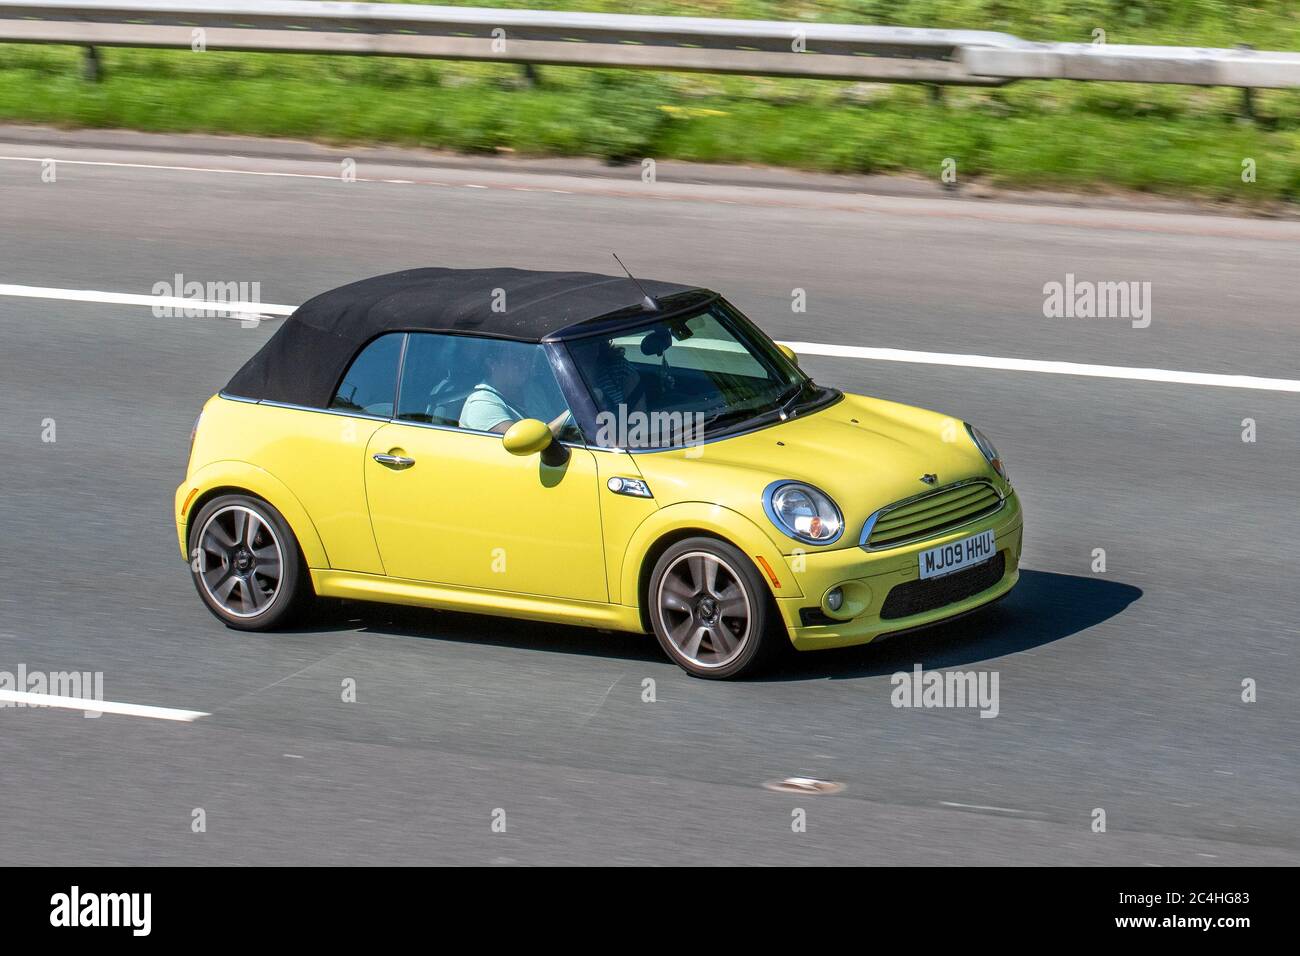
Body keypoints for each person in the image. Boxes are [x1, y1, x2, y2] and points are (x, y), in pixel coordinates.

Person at [459, 345, 571, 436]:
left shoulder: (532, 389)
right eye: (516, 359)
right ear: (492, 363)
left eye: (528, 357)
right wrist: (573, 411)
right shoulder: (481, 404)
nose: (525, 363)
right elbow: (523, 445)